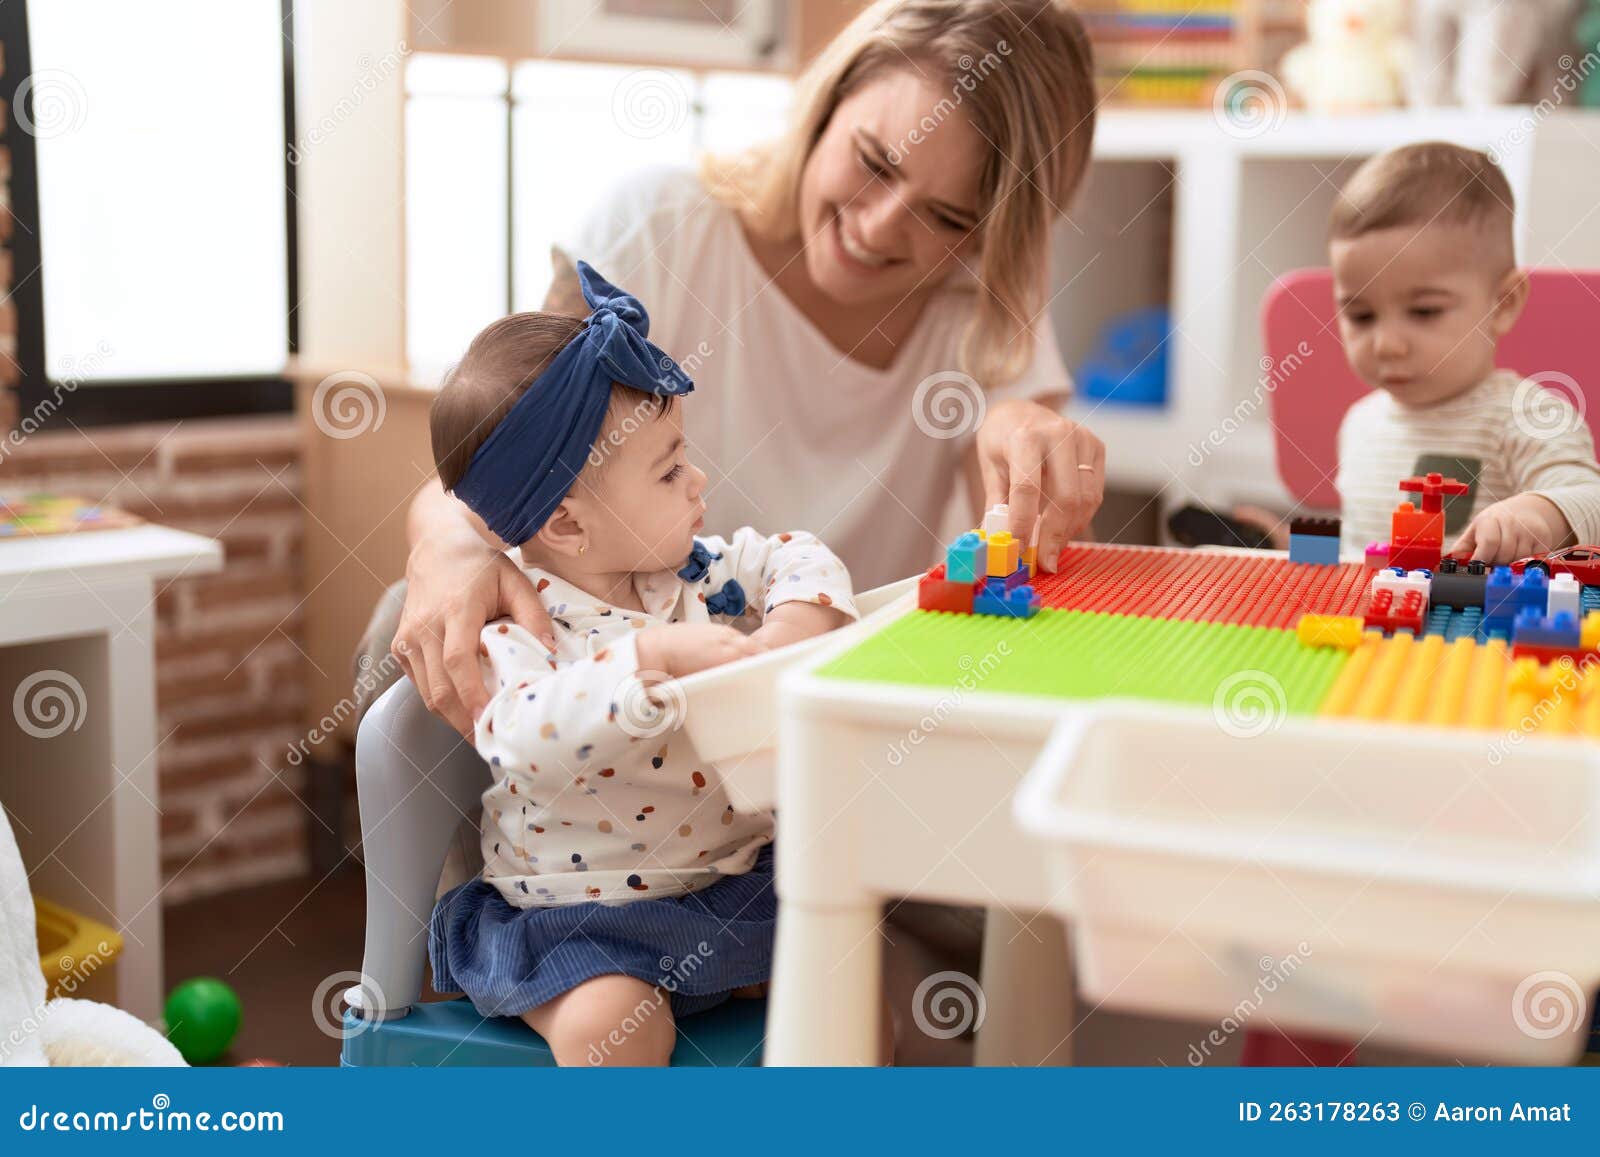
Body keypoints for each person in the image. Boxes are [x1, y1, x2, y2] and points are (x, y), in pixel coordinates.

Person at [387, 0, 1104, 737]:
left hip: (831, 725)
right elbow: (485, 478)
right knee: (412, 620)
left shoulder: (979, 310)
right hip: (614, 723)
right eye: (874, 163)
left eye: (948, 218)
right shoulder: (658, 230)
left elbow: (1024, 525)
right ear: (824, 107)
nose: (879, 223)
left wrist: (1025, 436)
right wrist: (447, 544)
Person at [426, 262, 860, 1065]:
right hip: (576, 922)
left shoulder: (695, 571)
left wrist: (791, 624)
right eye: (667, 470)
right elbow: (521, 731)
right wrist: (645, 659)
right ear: (567, 523)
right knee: (614, 1030)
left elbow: (797, 556)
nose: (698, 482)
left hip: (723, 889)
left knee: (857, 967)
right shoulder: (521, 628)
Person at [1328, 143, 1600, 562]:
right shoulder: (1359, 422)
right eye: (1361, 315)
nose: (1387, 343)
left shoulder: (1526, 417)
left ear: (1503, 303)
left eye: (1424, 311)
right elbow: (1355, 548)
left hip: (1479, 623)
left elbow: (1591, 499)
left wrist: (1539, 513)